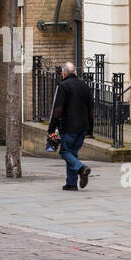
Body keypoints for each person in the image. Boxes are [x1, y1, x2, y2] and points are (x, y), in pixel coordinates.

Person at [47, 61, 94, 191]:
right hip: (83, 127)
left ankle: (81, 168)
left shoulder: (63, 86)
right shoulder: (85, 86)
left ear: (63, 73)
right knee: (72, 153)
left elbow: (57, 109)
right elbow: (91, 109)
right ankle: (71, 184)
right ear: (75, 73)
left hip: (68, 127)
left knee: (65, 152)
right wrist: (90, 129)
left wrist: (51, 128)